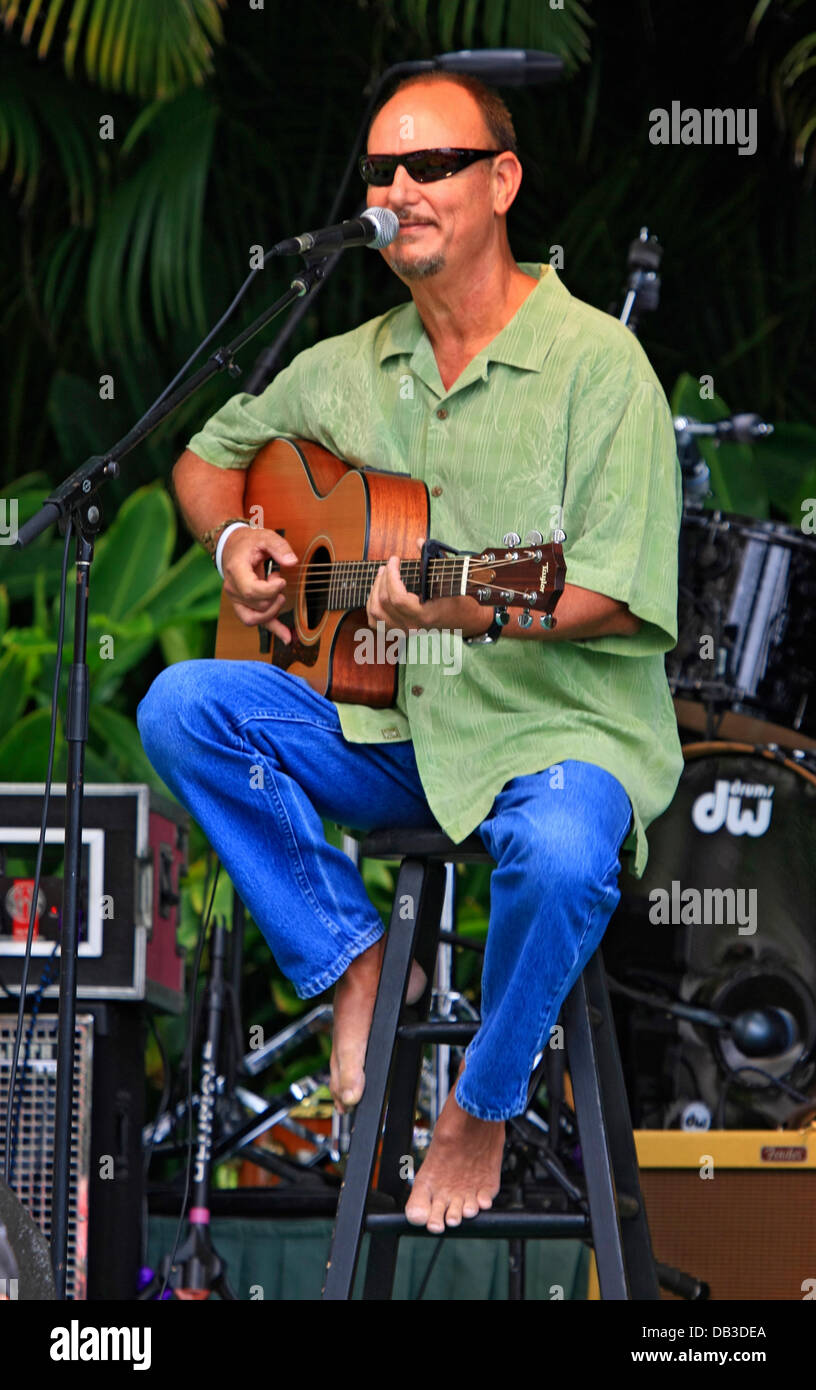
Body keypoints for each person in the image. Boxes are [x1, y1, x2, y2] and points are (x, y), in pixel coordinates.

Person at [137, 71, 684, 1236]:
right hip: (391, 731)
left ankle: (480, 1103)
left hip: (556, 736)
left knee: (561, 850)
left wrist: (469, 610)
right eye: (384, 171)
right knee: (186, 706)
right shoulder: (345, 364)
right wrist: (238, 537)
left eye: (430, 166)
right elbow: (203, 456)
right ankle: (363, 962)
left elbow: (610, 594)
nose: (400, 191)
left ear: (502, 180)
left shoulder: (598, 367)